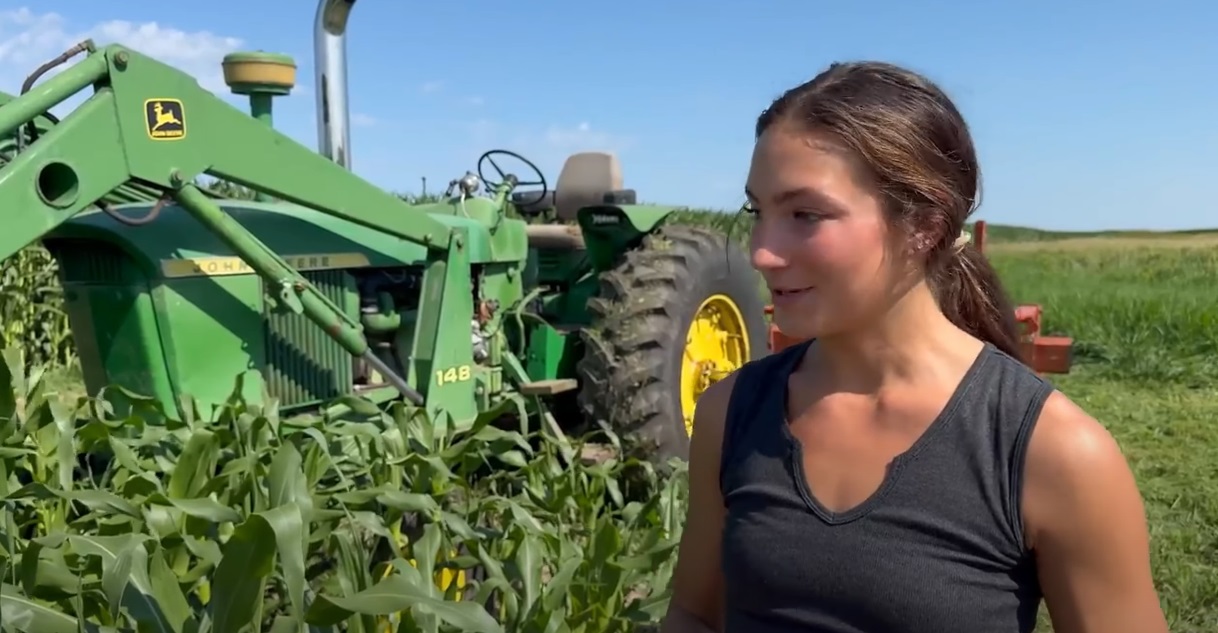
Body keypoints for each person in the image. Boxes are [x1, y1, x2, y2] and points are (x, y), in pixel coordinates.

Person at [660, 61, 1168, 633]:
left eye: (805, 214)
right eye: (759, 212)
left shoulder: (1054, 453)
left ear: (924, 225)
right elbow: (694, 614)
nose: (762, 253)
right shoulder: (731, 412)